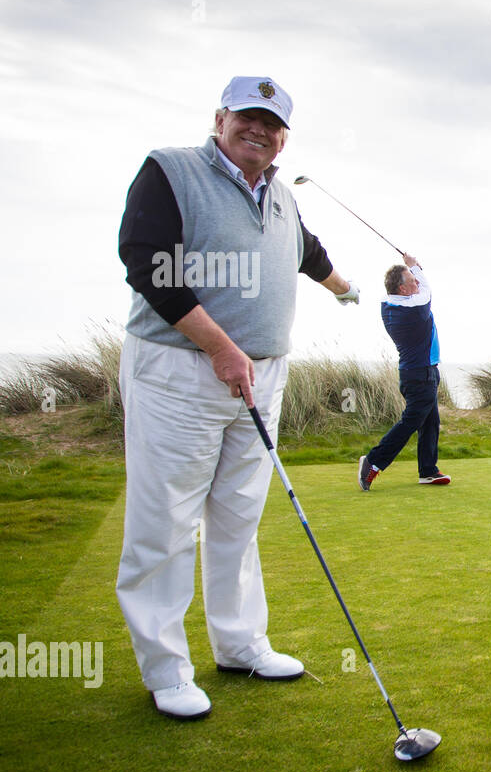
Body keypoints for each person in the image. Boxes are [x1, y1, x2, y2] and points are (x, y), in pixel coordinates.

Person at [116, 76, 361, 720]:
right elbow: (146, 263)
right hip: (180, 370)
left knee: (239, 515)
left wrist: (346, 288)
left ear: (283, 138)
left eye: (273, 123)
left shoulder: (279, 194)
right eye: (248, 117)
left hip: (263, 376)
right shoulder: (171, 170)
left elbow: (306, 252)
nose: (260, 130)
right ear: (221, 117)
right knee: (164, 522)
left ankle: (240, 643)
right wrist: (220, 345)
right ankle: (168, 670)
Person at [357, 253, 450, 490]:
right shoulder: (413, 308)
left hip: (421, 373)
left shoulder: (391, 303)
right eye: (411, 280)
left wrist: (413, 269)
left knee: (430, 421)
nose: (416, 283)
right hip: (419, 376)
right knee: (410, 422)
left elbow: (420, 290)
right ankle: (373, 462)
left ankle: (428, 470)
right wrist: (415, 267)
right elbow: (427, 291)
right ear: (402, 288)